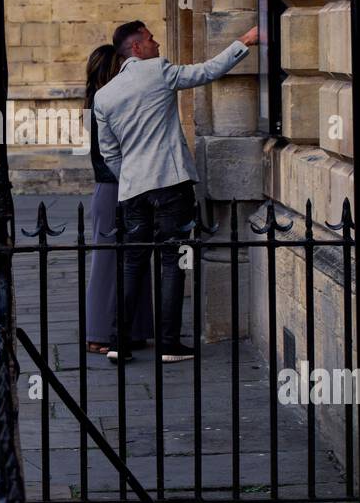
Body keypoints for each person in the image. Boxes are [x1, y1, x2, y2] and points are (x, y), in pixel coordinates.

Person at [93, 20, 259, 362]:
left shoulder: (103, 96)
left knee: (132, 265)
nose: (157, 44)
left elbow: (109, 152)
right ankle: (169, 343)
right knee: (172, 262)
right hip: (171, 185)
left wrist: (132, 179)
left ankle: (117, 342)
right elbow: (207, 71)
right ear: (136, 47)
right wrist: (245, 40)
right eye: (151, 39)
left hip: (133, 192)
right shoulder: (159, 71)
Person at [84, 45, 153, 354]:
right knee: (108, 262)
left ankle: (133, 329)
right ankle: (98, 333)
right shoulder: (105, 102)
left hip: (122, 185)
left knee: (133, 258)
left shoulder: (101, 100)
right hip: (113, 188)